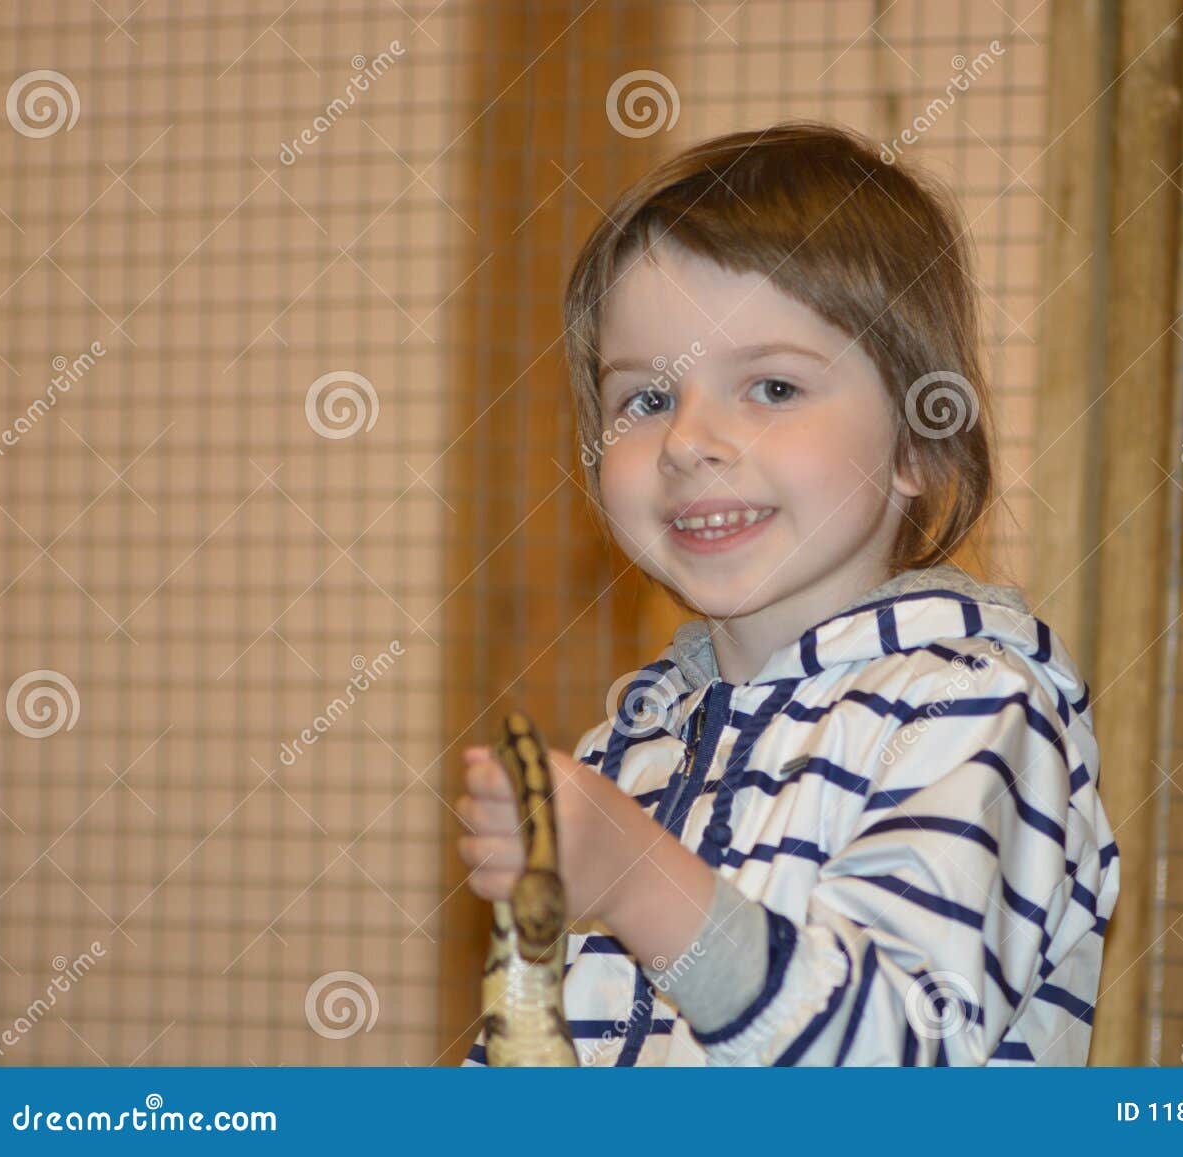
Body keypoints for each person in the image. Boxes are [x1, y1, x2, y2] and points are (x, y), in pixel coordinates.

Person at [455, 120, 1119, 1066]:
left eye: (770, 387)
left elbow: (894, 1057)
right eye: (644, 400)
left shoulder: (972, 715)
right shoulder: (628, 753)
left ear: (921, 445)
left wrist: (640, 882)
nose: (687, 441)